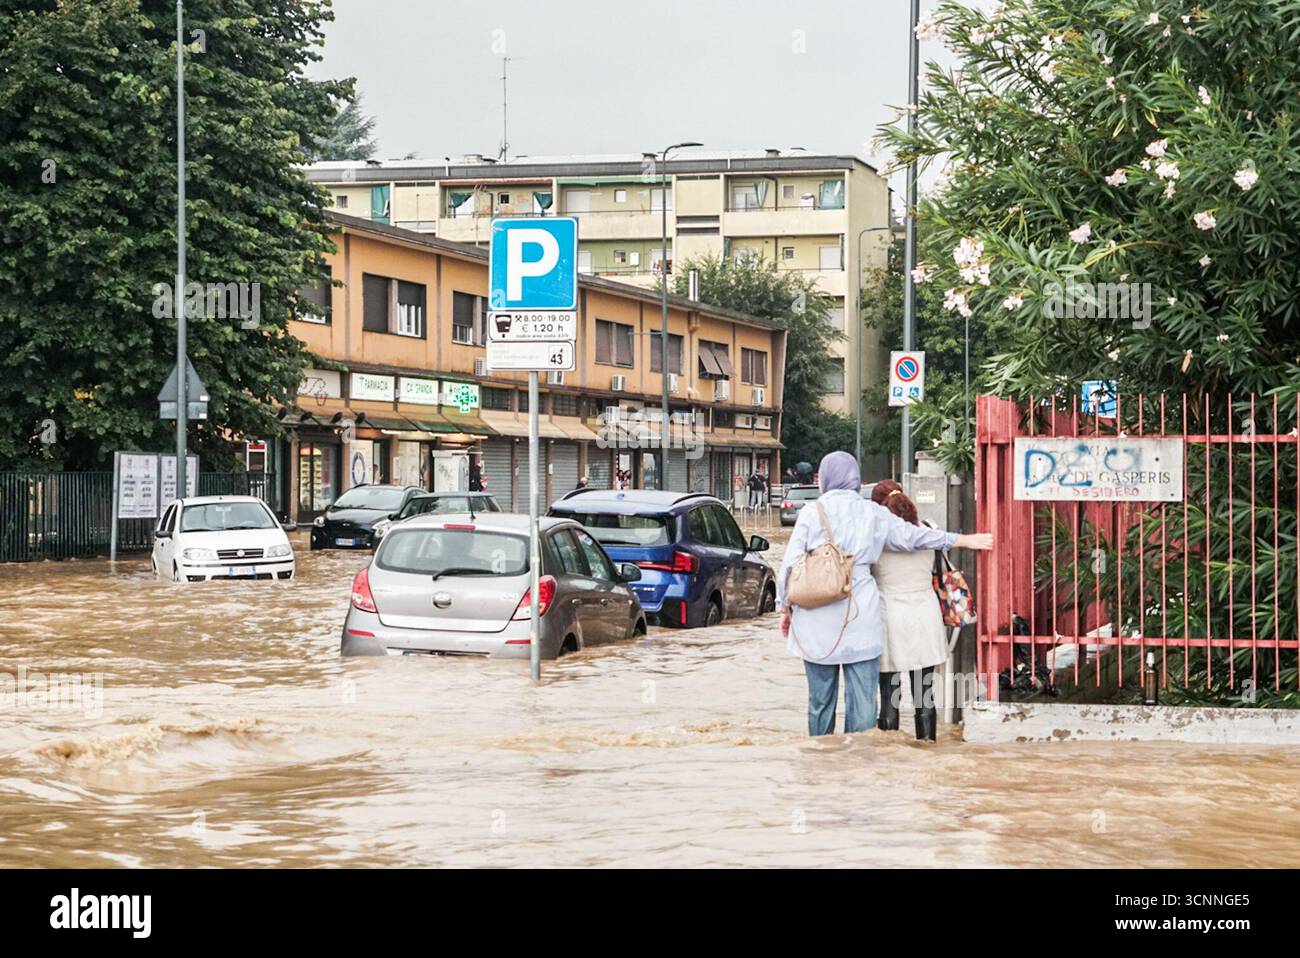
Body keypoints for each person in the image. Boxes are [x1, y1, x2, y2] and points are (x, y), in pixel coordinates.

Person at [776, 451, 992, 737]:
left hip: (815, 621)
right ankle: (860, 763)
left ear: (825, 478)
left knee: (820, 702)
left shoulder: (810, 513)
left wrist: (785, 608)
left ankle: (822, 762)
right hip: (860, 618)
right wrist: (963, 540)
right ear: (854, 478)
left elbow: (790, 567)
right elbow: (915, 537)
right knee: (864, 704)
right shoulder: (873, 513)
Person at [871, 480, 949, 741]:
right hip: (925, 617)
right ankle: (928, 748)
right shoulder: (928, 531)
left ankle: (889, 757)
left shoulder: (876, 538)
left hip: (889, 618)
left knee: (889, 697)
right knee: (924, 695)